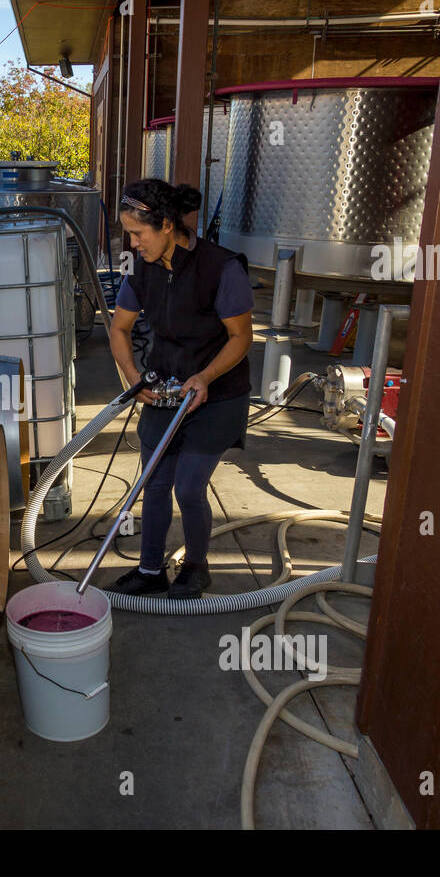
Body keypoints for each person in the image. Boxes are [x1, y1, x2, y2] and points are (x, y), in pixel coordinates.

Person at [107, 178, 254, 598]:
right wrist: (135, 380)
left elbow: (241, 338)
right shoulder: (137, 267)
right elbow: (119, 328)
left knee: (189, 486)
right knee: (153, 482)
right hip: (162, 386)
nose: (133, 244)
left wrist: (205, 377)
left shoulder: (222, 268)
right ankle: (150, 569)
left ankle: (195, 568)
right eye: (128, 234)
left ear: (168, 225)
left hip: (217, 394)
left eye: (139, 233)